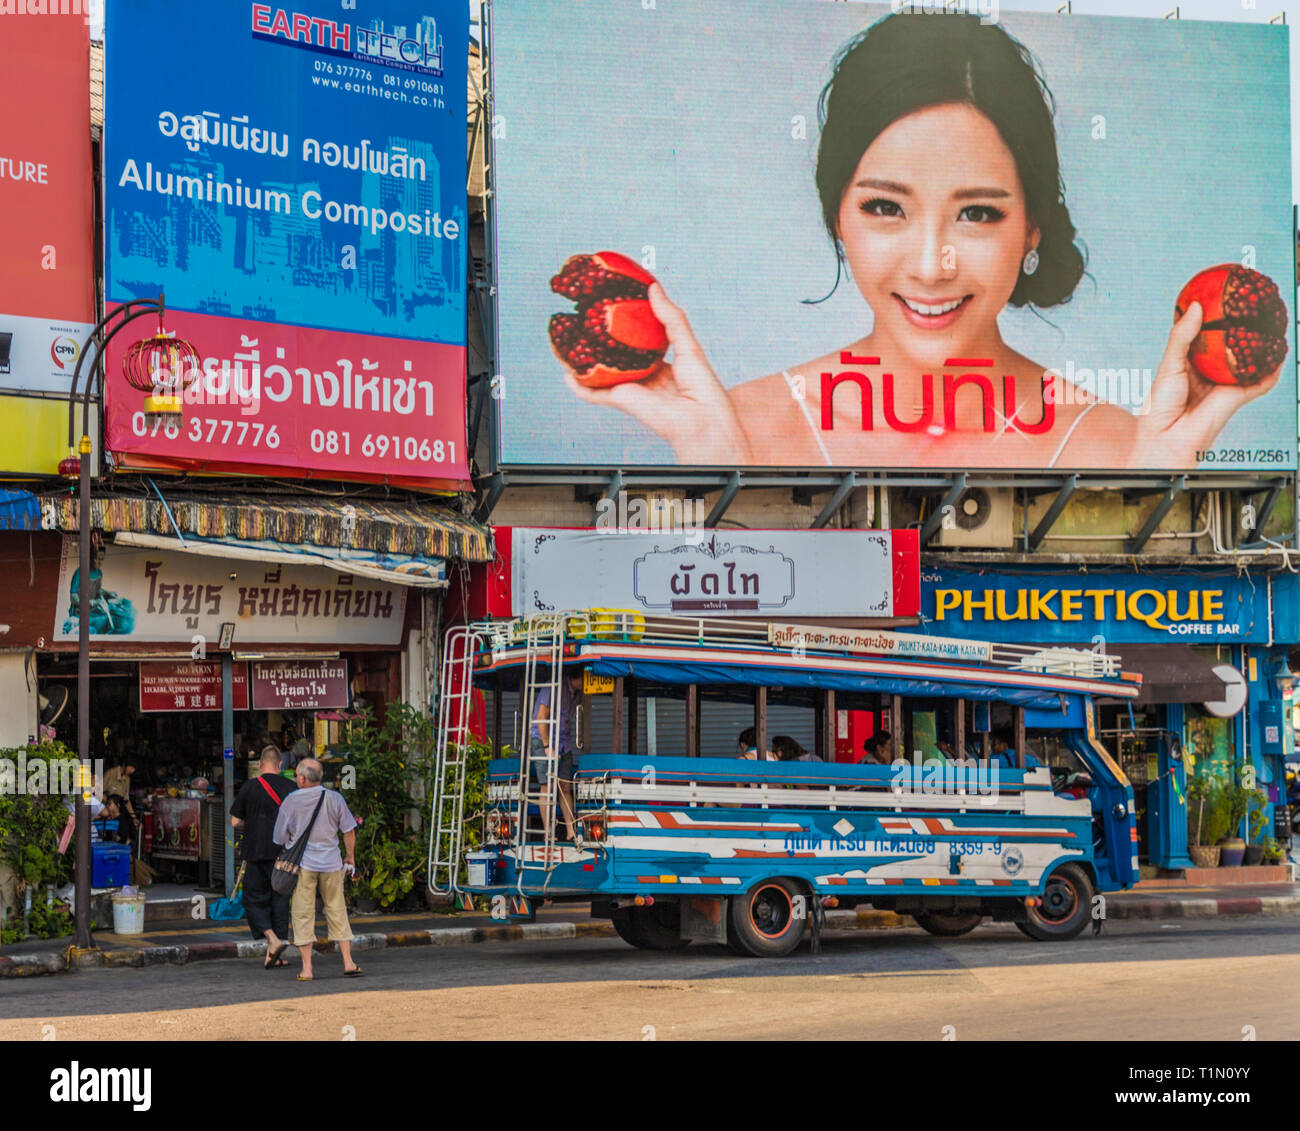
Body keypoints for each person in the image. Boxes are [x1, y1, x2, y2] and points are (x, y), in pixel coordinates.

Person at [563, 11, 1279, 471]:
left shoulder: (1116, 448)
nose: (933, 265)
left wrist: (1153, 488)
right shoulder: (737, 428)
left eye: (977, 215)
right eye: (885, 208)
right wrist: (712, 467)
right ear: (837, 215)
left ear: (1032, 225)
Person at [272, 758, 361, 980]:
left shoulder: (291, 801)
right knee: (337, 909)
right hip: (331, 862)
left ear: (301, 778)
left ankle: (307, 969)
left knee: (302, 913)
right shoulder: (335, 798)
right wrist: (349, 857)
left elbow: (279, 837)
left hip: (304, 865)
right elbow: (349, 830)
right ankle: (348, 962)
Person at [230, 747, 297, 969]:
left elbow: (234, 822)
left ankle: (273, 940)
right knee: (279, 900)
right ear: (280, 765)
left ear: (260, 764)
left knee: (252, 899)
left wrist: (253, 824)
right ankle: (276, 953)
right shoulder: (291, 787)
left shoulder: (250, 787)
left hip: (255, 851)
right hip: (283, 852)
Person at [530, 669, 585, 844]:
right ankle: (547, 832)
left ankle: (570, 831)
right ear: (579, 678)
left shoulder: (577, 694)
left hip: (564, 742)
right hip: (543, 739)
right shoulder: (553, 686)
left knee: (565, 786)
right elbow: (540, 717)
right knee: (548, 786)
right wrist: (547, 746)